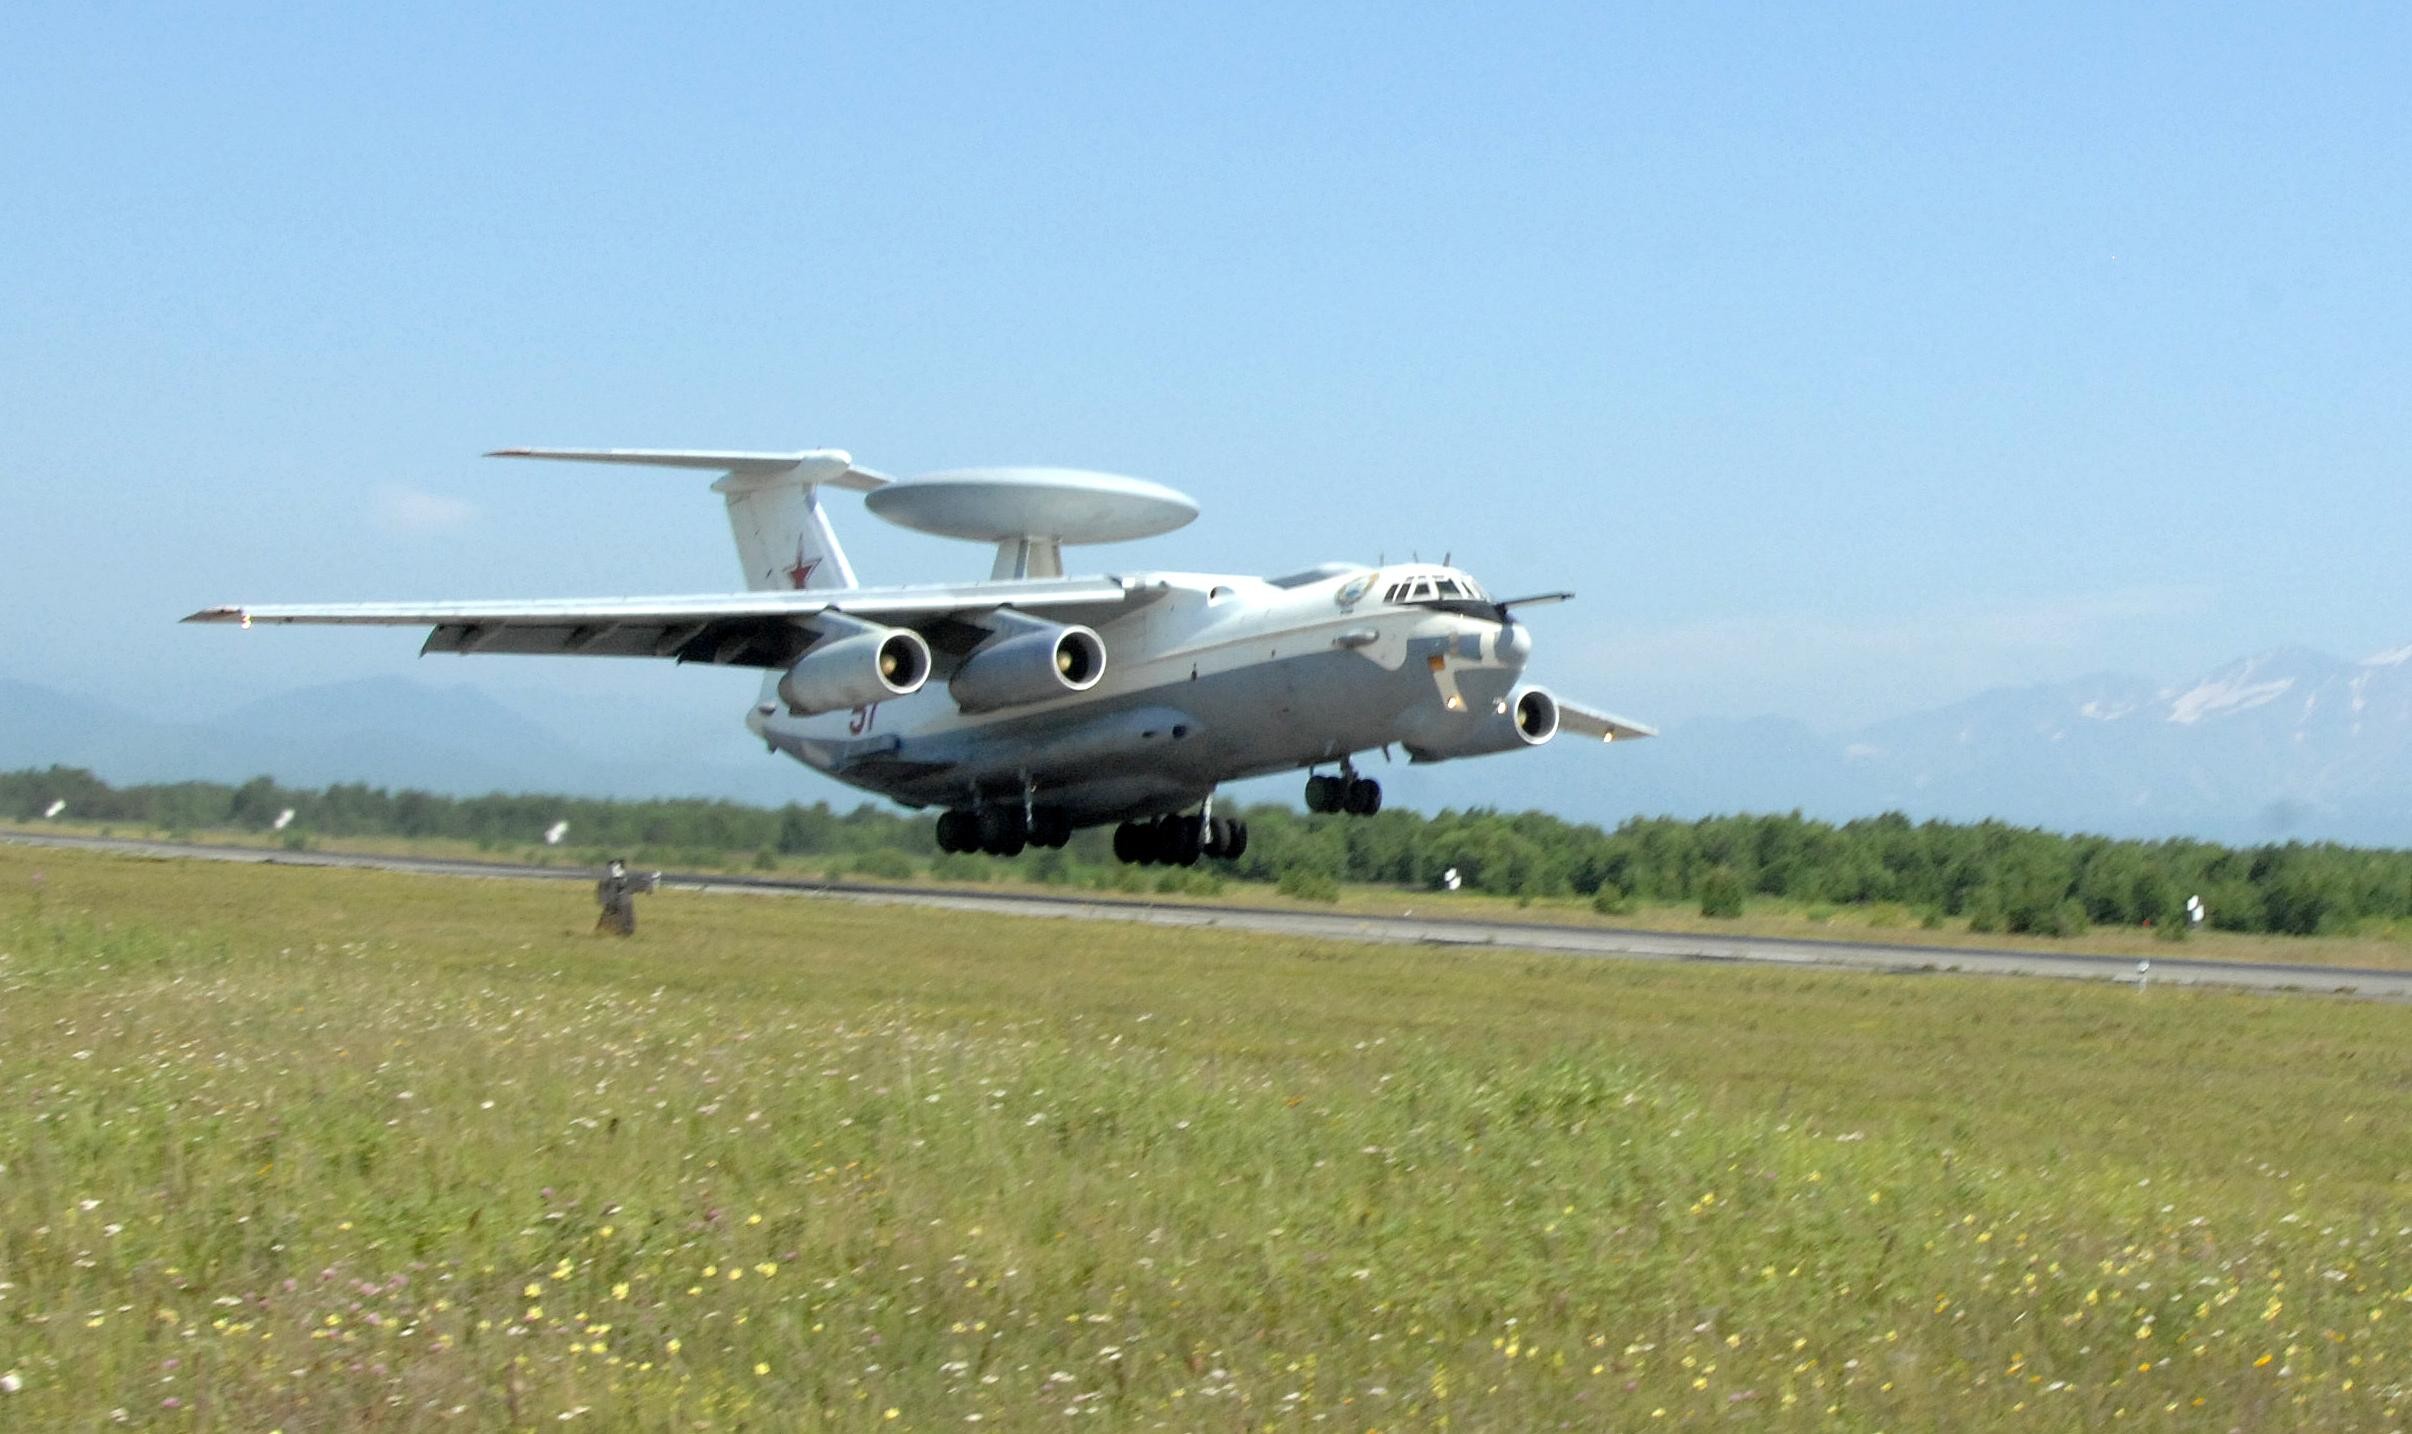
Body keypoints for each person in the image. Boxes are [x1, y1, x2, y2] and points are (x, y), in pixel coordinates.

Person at [595, 858, 648, 936]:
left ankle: (617, 930)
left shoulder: (613, 874)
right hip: (619, 901)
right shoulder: (616, 874)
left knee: (616, 917)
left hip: (617, 900)